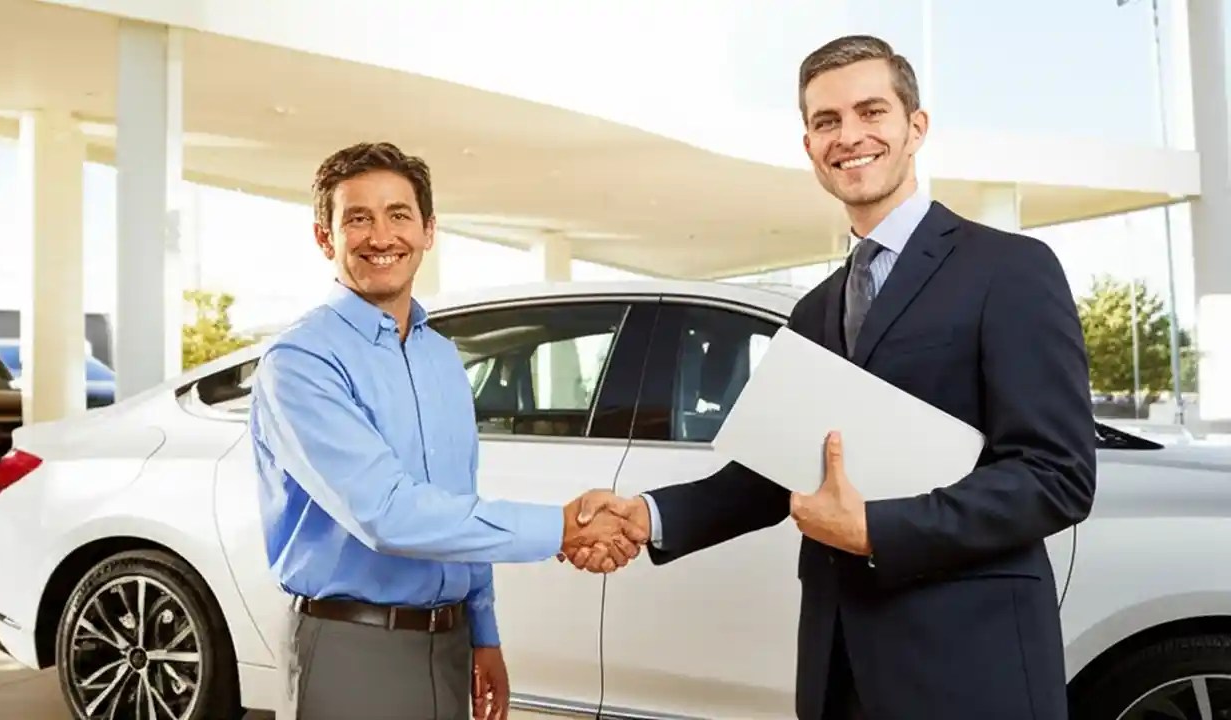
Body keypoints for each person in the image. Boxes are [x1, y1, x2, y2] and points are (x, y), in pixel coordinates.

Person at [571, 35, 1097, 720]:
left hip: (971, 665)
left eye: (871, 112)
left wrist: (878, 528)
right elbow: (775, 475)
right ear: (809, 146)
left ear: (915, 128)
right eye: (826, 121)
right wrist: (648, 516)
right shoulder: (817, 307)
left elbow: (1055, 474)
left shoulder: (1010, 268)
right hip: (841, 670)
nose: (849, 136)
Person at [248, 141, 646, 720]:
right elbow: (388, 513)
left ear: (428, 231)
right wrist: (561, 527)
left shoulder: (440, 357)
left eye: (399, 215)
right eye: (357, 218)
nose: (381, 237)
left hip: (449, 645)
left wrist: (483, 630)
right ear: (325, 238)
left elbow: (458, 501)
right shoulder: (302, 362)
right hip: (351, 647)